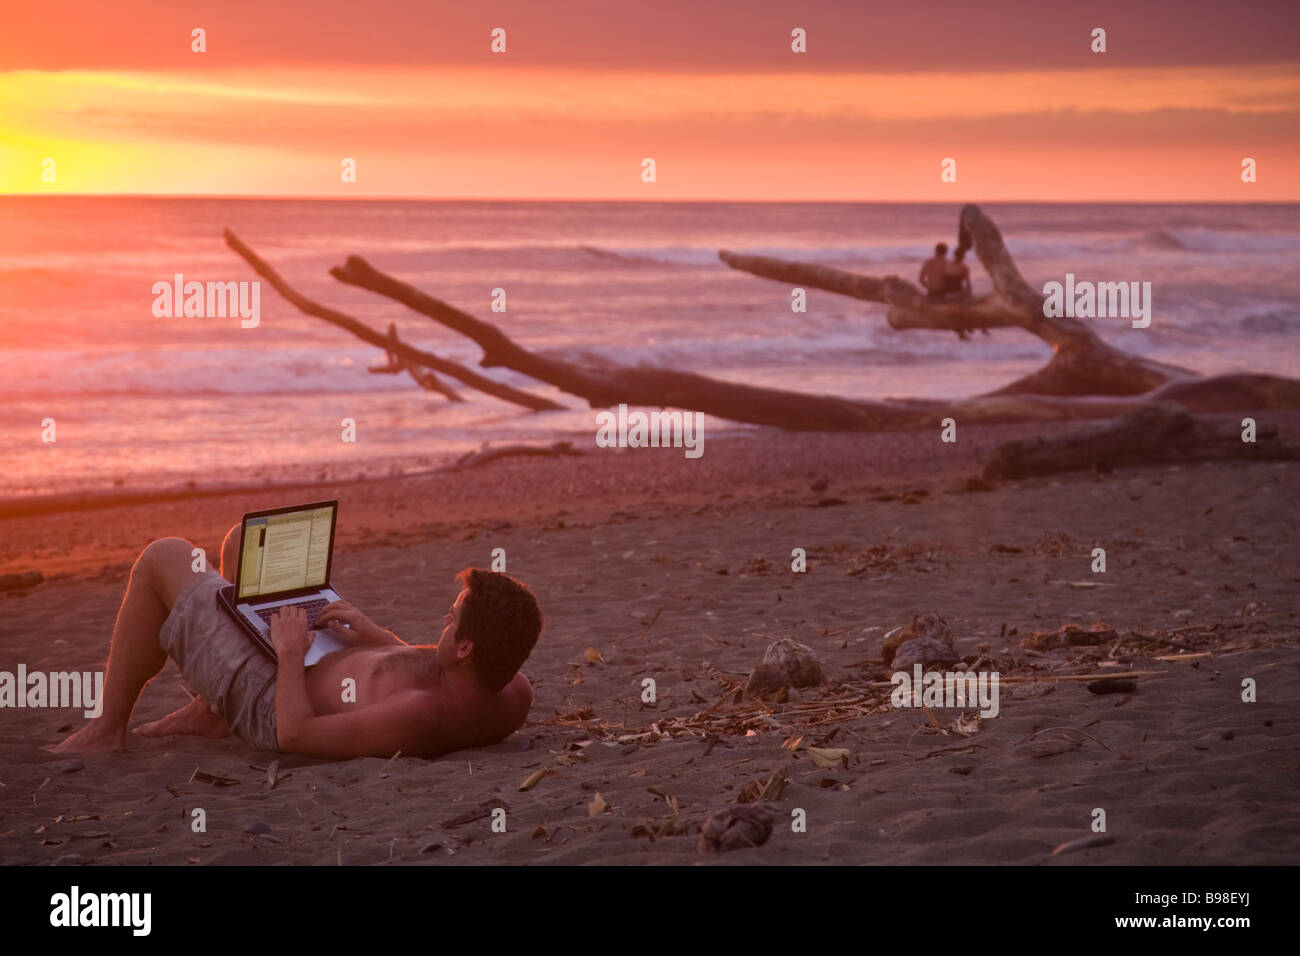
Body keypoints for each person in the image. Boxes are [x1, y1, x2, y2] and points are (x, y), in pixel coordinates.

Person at [48, 526, 540, 759]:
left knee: (164, 556)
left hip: (273, 694)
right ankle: (207, 710)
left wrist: (286, 653)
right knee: (247, 541)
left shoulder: (417, 716)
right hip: (322, 656)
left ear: (465, 647)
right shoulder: (512, 687)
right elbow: (441, 669)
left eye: (452, 618)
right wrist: (379, 639)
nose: (444, 618)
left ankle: (108, 727)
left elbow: (295, 735)